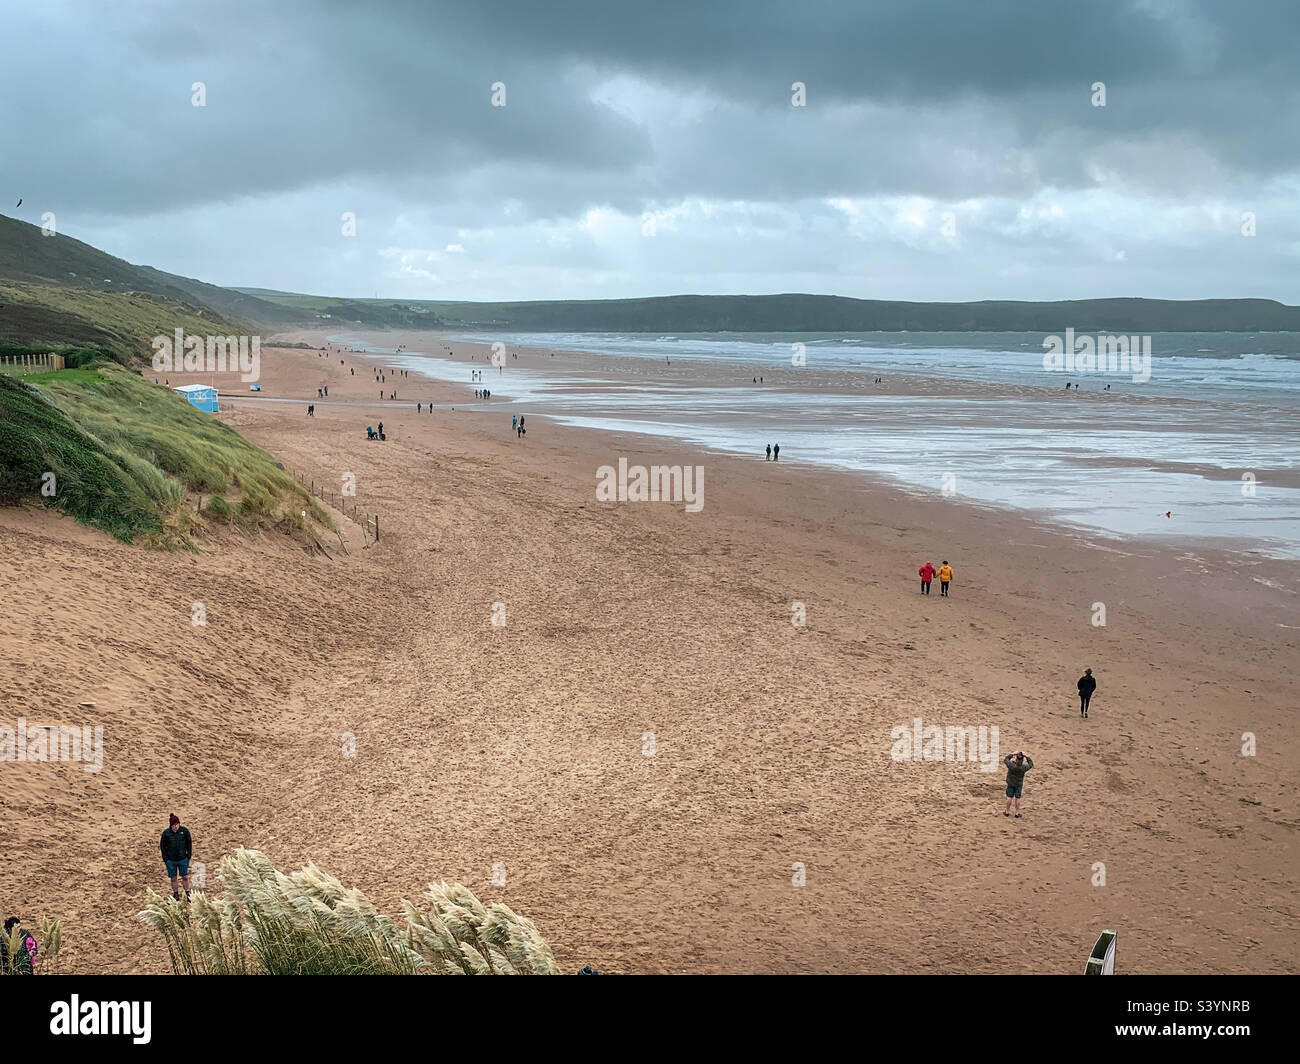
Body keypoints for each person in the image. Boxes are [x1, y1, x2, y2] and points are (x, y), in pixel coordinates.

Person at [160, 813, 193, 900]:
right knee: (173, 878)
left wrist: (188, 855)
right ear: (171, 825)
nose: (176, 826)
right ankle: (176, 894)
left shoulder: (184, 831)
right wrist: (165, 858)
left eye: (177, 824)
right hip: (171, 860)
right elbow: (162, 846)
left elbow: (189, 843)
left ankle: (187, 893)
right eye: (174, 825)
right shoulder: (166, 833)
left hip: (183, 859)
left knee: (185, 877)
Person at [1002, 751, 1033, 817]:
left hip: (1010, 782)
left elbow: (1006, 759)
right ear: (1022, 760)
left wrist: (1012, 754)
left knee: (1009, 797)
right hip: (1019, 784)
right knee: (1017, 798)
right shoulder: (1023, 767)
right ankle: (1017, 813)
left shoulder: (1012, 765)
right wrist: (1026, 756)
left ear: (1016, 759)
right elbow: (1030, 764)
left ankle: (1007, 811)